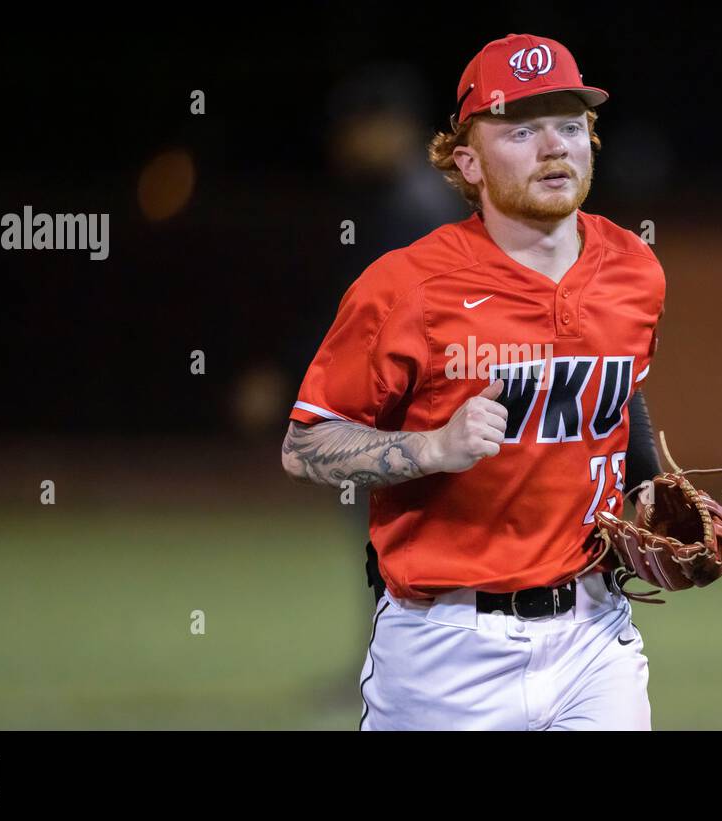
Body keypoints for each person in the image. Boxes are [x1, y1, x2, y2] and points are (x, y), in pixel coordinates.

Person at [282, 33, 666, 730]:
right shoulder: (406, 285)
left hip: (594, 637)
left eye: (570, 125)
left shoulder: (633, 268)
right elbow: (305, 442)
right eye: (521, 129)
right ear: (468, 161)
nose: (554, 146)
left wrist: (649, 492)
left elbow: (621, 390)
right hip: (445, 648)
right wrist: (429, 448)